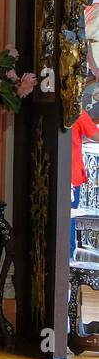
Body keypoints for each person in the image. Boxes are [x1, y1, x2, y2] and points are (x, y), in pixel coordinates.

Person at [71, 84, 99, 258]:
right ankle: (67, 262)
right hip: (71, 175)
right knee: (69, 220)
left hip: (59, 173)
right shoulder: (77, 112)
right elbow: (95, 135)